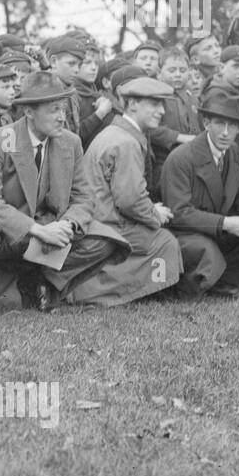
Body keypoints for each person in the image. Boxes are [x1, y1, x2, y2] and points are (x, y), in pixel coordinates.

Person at [0, 71, 126, 315]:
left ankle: (44, 282)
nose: (62, 117)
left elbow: (84, 197)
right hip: (3, 228)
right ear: (29, 113)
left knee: (104, 240)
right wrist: (39, 230)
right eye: (53, 110)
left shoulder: (70, 142)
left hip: (49, 225)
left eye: (63, 109)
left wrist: (67, 224)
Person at [65, 77, 182, 306]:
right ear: (132, 104)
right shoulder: (126, 141)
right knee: (164, 242)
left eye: (162, 105)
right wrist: (154, 215)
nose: (161, 111)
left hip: (98, 217)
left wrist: (149, 208)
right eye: (155, 104)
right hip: (107, 224)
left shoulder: (117, 133)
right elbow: (129, 200)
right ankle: (91, 293)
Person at [161, 87, 239, 299]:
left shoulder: (232, 150)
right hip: (186, 233)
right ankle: (199, 286)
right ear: (206, 124)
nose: (226, 132)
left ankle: (224, 283)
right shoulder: (181, 158)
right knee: (207, 251)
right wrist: (225, 223)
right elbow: (178, 213)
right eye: (219, 124)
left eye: (233, 125)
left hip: (218, 228)